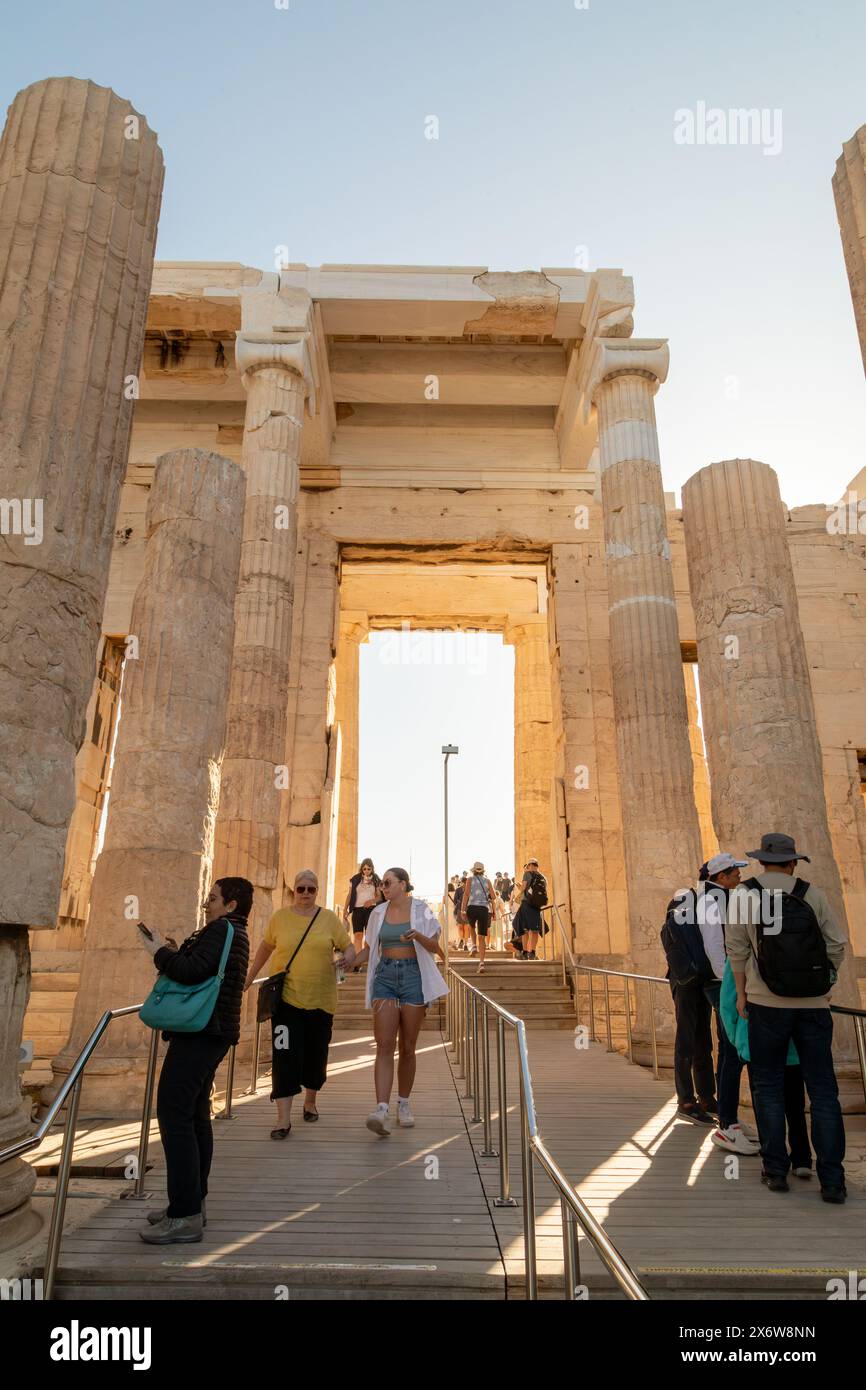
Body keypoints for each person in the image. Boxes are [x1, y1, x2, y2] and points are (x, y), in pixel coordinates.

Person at [727, 833, 848, 1202]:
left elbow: (737, 949)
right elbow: (836, 945)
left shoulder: (744, 895)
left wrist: (744, 995)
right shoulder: (811, 893)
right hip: (813, 1006)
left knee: (767, 1086)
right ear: (793, 862)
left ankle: (776, 1170)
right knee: (823, 1091)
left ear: (762, 861)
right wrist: (825, 983)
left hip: (767, 1005)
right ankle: (832, 1181)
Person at [137, 877, 252, 1244]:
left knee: (174, 1114)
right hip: (214, 1032)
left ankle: (185, 1213)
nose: (207, 903)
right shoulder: (233, 932)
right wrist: (176, 950)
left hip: (201, 1032)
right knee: (196, 1114)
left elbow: (190, 972)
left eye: (214, 898)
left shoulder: (221, 929)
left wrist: (157, 951)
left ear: (231, 904)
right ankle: (190, 1204)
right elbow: (200, 966)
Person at [244, 868, 349, 1138]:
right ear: (294, 891)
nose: (305, 894)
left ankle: (310, 1101)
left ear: (316, 891)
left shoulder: (328, 919)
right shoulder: (280, 918)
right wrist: (250, 976)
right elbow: (266, 947)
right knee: (284, 1056)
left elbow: (346, 945)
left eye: (310, 889)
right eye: (300, 889)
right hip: (286, 1001)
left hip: (321, 1000)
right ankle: (282, 1119)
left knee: (316, 1055)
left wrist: (347, 958)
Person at [348, 866, 448, 1135]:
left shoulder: (423, 909)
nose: (383, 887)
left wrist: (419, 936)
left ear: (403, 884)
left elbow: (437, 947)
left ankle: (403, 1103)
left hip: (414, 976)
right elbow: (370, 949)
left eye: (388, 883)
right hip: (385, 977)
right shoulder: (377, 912)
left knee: (408, 1045)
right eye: (382, 884)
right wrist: (350, 962)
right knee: (384, 1043)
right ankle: (381, 1109)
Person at [720, 959, 814, 1179]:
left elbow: (728, 999)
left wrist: (737, 1040)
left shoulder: (743, 943)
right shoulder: (798, 939)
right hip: (794, 1037)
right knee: (795, 1102)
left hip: (757, 1036)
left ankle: (775, 1164)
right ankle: (802, 1159)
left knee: (766, 1103)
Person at [694, 853, 761, 1154]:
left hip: (724, 983)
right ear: (721, 876)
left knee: (728, 1049)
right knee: (734, 1050)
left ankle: (729, 1118)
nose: (739, 877)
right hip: (723, 983)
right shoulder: (712, 900)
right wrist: (732, 983)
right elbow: (714, 945)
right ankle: (728, 1125)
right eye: (735, 873)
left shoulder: (718, 896)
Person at [343, 858, 382, 968]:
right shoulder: (355, 879)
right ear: (362, 869)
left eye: (368, 869)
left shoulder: (376, 879)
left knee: (369, 936)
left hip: (371, 910)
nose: (366, 871)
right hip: (357, 910)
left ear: (372, 869)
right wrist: (345, 909)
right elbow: (350, 895)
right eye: (364, 869)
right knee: (358, 935)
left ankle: (369, 961)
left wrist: (371, 901)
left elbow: (379, 897)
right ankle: (357, 962)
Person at [461, 861, 497, 974]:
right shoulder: (487, 881)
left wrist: (463, 909)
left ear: (473, 870)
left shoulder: (470, 880)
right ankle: (481, 963)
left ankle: (474, 946)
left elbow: (466, 894)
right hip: (483, 909)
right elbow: (494, 896)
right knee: (482, 936)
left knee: (471, 927)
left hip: (472, 907)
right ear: (483, 870)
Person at [512, 858, 547, 959]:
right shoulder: (543, 877)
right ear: (537, 865)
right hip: (536, 905)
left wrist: (520, 887)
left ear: (530, 865)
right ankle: (532, 952)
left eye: (527, 866)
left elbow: (523, 888)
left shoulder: (527, 874)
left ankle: (524, 952)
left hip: (526, 903)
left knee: (523, 928)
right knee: (534, 930)